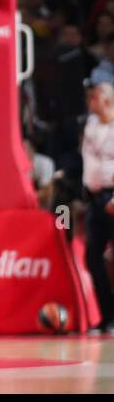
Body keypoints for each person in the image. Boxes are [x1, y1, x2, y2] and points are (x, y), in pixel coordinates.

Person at [81, 80, 114, 333]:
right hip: (95, 199)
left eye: (96, 97)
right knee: (92, 257)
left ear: (108, 100)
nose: (91, 102)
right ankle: (107, 318)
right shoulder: (91, 126)